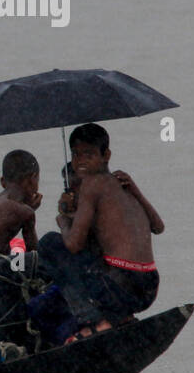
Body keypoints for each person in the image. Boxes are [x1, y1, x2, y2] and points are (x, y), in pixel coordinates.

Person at [38, 123, 164, 335]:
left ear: (106, 155)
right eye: (76, 155)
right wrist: (136, 191)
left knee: (49, 243)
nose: (81, 161)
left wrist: (64, 221)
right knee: (92, 251)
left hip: (122, 287)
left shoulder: (92, 184)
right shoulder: (122, 183)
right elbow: (158, 227)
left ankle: (94, 322)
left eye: (89, 154)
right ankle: (121, 317)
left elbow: (74, 244)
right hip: (149, 287)